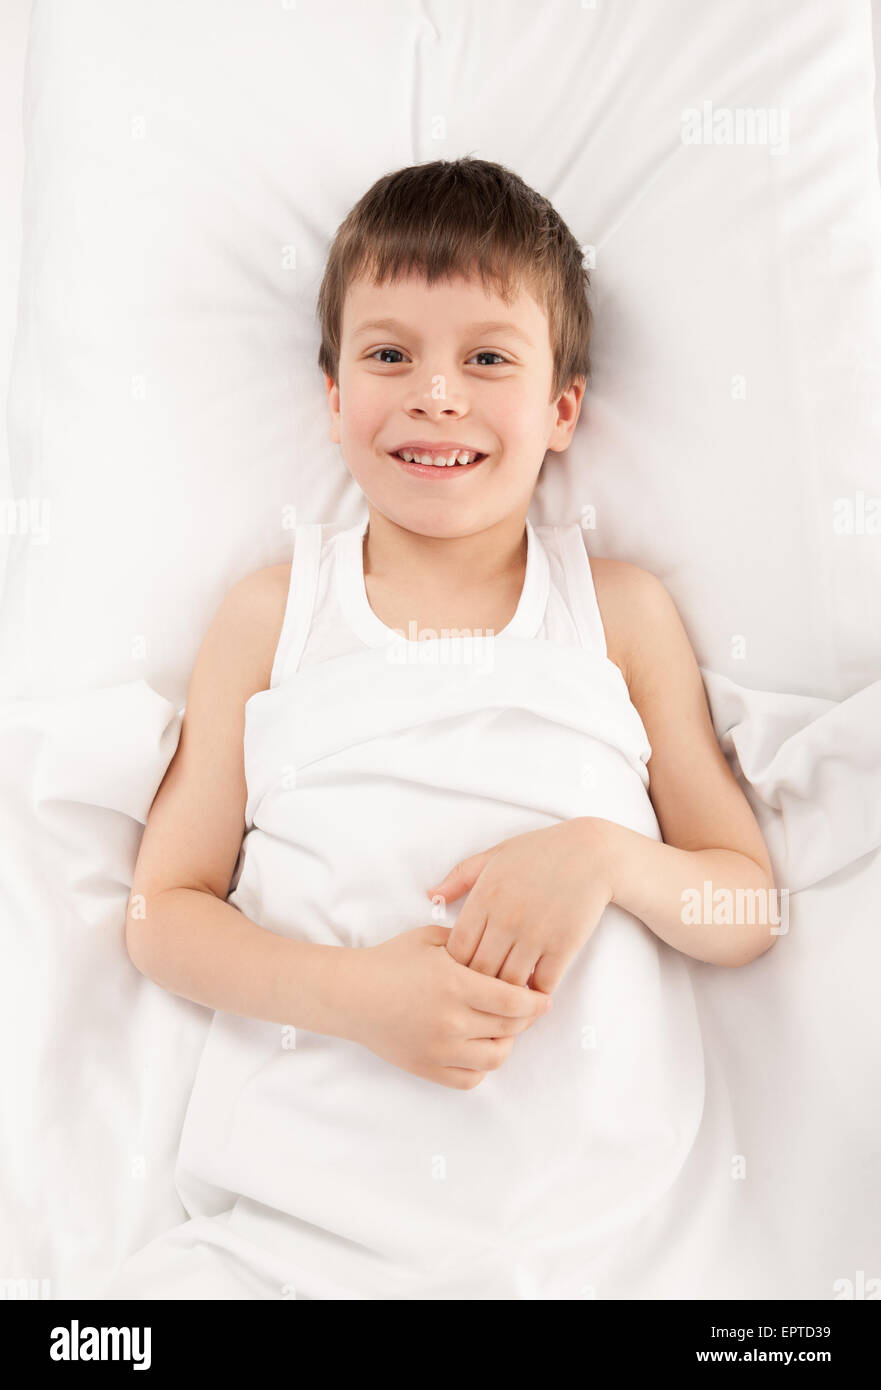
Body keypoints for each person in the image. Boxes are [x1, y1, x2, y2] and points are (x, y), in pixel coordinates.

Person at [104, 156, 776, 1301]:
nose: (436, 394)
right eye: (387, 355)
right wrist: (358, 995)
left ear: (561, 408)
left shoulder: (615, 612)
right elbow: (161, 916)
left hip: (590, 1241)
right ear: (329, 398)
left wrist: (601, 857)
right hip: (304, 1226)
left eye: (486, 358)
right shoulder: (276, 612)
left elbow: (743, 909)